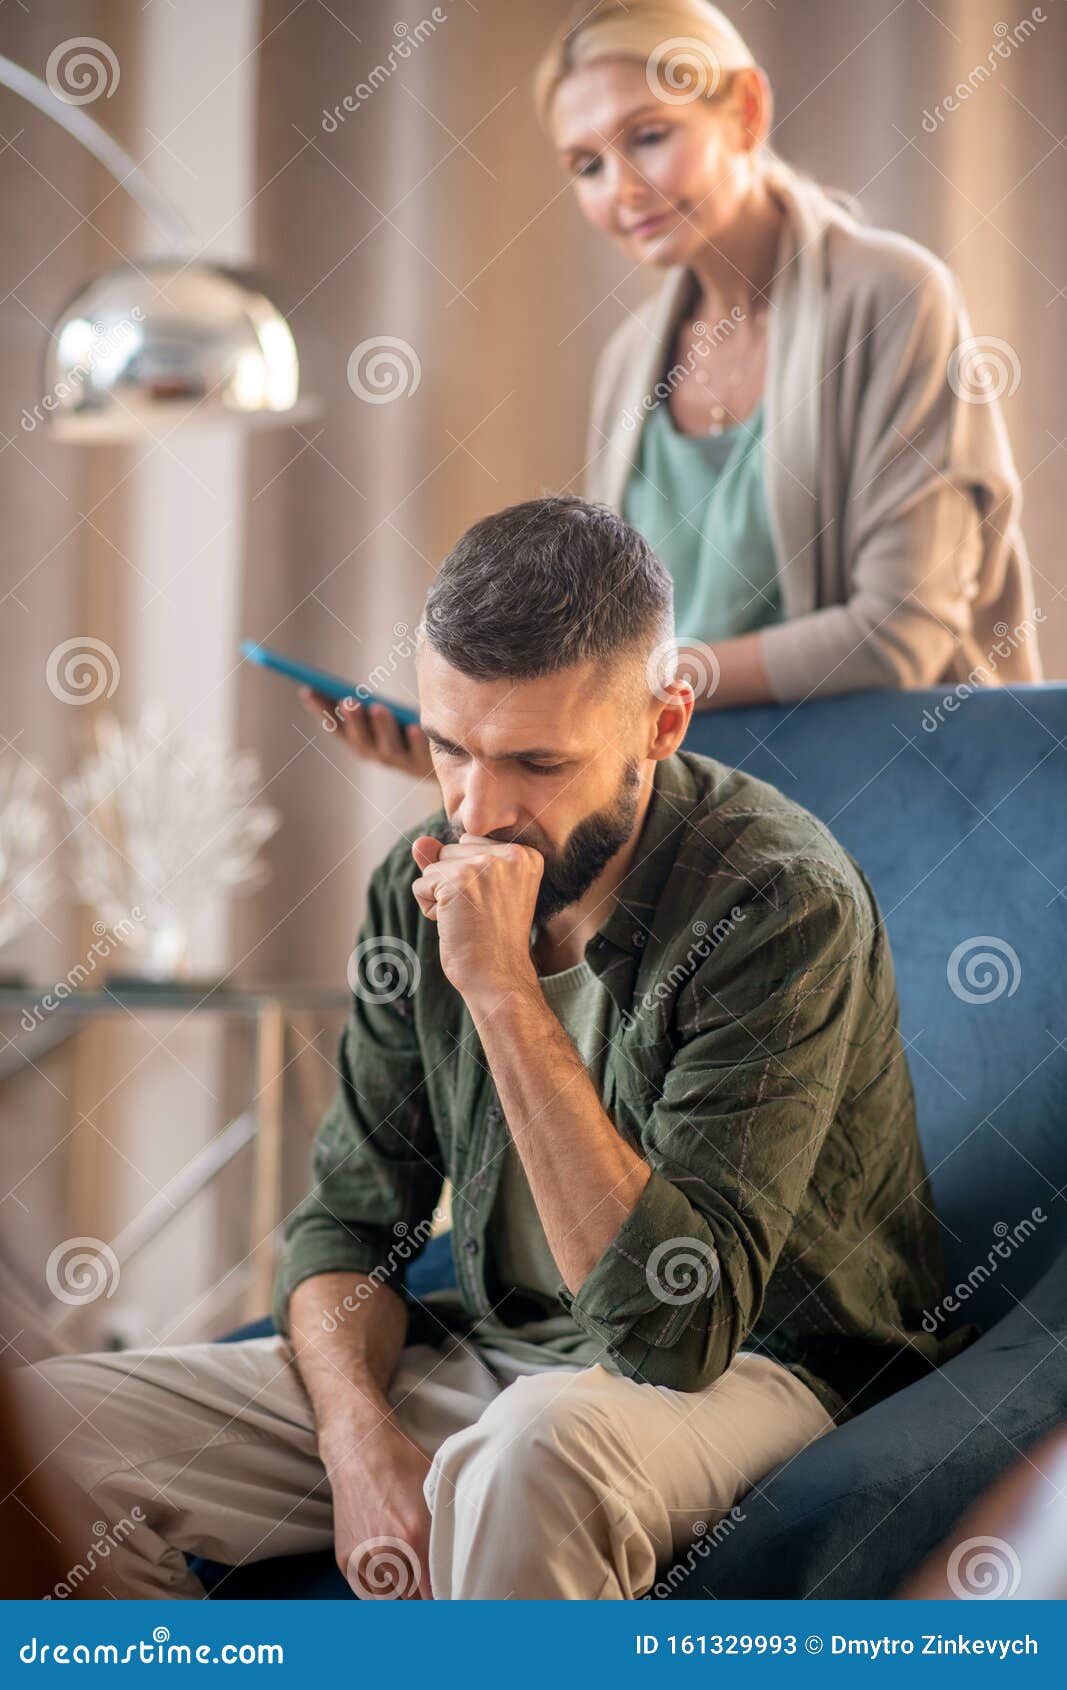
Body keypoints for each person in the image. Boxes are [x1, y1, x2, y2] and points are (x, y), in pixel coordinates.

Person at [12, 497, 977, 1601]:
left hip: (759, 1362)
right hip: (497, 1349)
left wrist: (502, 989)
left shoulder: (774, 903)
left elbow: (676, 1327)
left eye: (537, 763)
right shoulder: (409, 885)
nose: (478, 810)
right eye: (448, 748)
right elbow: (348, 1220)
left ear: (661, 725)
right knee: (46, 1428)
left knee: (528, 1454)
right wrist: (357, 1444)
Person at [323, 0, 1042, 782]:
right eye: (586, 166)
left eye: (649, 136)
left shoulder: (895, 297)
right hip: (713, 823)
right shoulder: (630, 359)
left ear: (744, 110)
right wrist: (499, 751)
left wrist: (622, 690)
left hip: (906, 804)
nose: (621, 190)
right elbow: (621, 652)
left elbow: (899, 635)